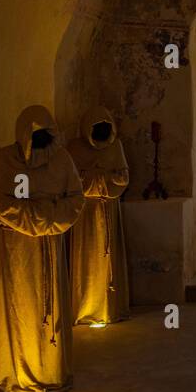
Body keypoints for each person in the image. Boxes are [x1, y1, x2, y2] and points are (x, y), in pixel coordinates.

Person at [0, 105, 84, 392]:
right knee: (20, 309)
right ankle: (20, 372)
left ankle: (51, 370)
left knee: (51, 305)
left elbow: (75, 198)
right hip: (18, 249)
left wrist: (41, 219)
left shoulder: (62, 159)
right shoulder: (4, 159)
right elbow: (1, 202)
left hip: (50, 246)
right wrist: (44, 218)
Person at [67, 107, 130, 326]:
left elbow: (122, 178)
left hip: (108, 210)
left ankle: (109, 307)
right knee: (86, 260)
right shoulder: (75, 148)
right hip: (85, 213)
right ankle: (85, 307)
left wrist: (96, 178)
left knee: (107, 257)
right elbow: (73, 181)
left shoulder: (116, 147)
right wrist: (101, 177)